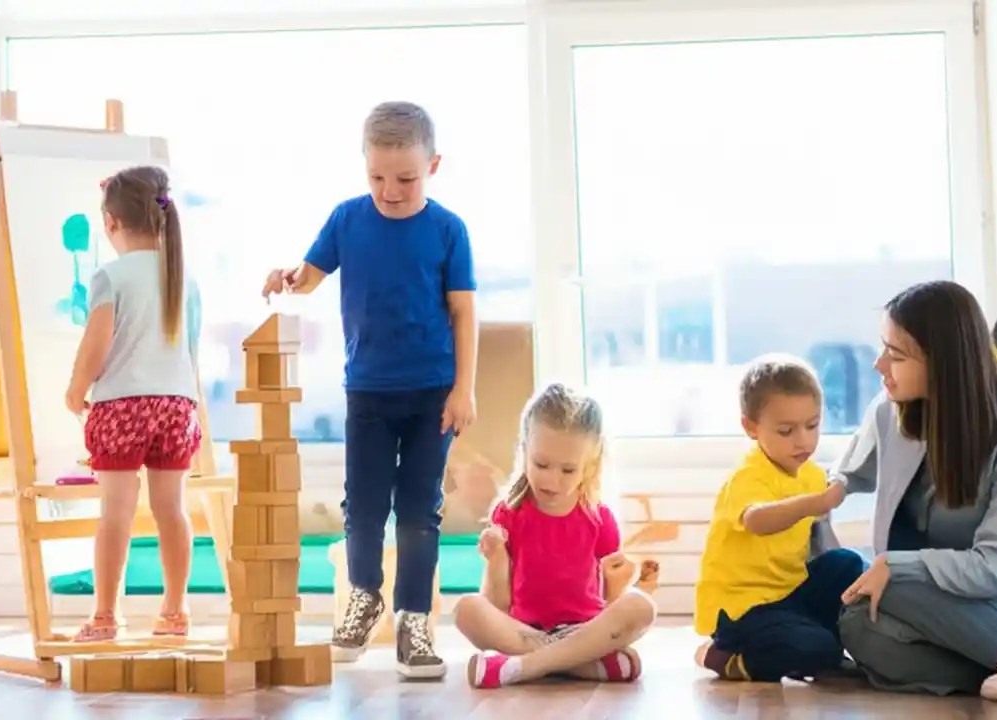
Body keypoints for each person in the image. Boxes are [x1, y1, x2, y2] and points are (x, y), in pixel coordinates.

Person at [261, 101, 478, 678]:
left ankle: (413, 619)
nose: (390, 190)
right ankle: (365, 596)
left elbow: (464, 313)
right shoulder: (346, 220)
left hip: (433, 393)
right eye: (377, 177)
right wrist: (285, 278)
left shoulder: (448, 230)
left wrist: (465, 389)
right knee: (362, 508)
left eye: (405, 178)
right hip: (369, 394)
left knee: (418, 510)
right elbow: (306, 279)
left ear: (433, 165)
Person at [834, 280, 997, 703]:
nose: (878, 365)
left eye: (896, 355)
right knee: (856, 621)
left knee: (886, 586)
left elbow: (996, 567)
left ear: (944, 363)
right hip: (938, 597)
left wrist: (895, 566)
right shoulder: (890, 412)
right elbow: (843, 478)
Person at [66, 166, 201, 642]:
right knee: (172, 510)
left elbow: (96, 343)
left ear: (111, 223)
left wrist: (75, 388)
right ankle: (175, 612)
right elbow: (191, 355)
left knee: (116, 512)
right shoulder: (185, 279)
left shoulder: (110, 276)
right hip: (177, 407)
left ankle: (105, 616)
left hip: (121, 408)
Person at [454, 383, 657, 689]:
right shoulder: (509, 514)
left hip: (584, 629)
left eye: (567, 470)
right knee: (466, 609)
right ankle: (581, 664)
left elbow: (607, 604)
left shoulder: (599, 518)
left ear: (588, 467)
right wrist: (496, 559)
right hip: (524, 630)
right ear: (524, 450)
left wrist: (619, 585)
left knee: (642, 607)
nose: (552, 480)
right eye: (541, 464)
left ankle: (522, 667)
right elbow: (496, 605)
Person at [693, 354, 867, 682]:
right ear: (751, 427)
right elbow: (757, 520)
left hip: (789, 595)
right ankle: (726, 656)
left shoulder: (812, 475)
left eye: (812, 425)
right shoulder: (748, 477)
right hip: (742, 610)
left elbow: (821, 542)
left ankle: (811, 647)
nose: (803, 440)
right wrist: (813, 503)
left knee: (846, 564)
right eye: (786, 430)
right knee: (822, 648)